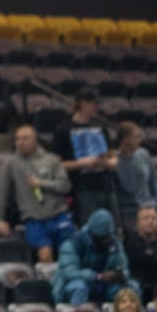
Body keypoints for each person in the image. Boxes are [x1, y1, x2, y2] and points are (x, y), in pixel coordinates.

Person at [0, 124, 75, 261]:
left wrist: (42, 183)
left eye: (25, 138)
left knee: (69, 254)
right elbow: (1, 193)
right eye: (18, 139)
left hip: (58, 215)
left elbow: (65, 186)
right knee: (45, 254)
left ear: (35, 140)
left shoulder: (52, 160)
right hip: (34, 220)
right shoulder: (11, 163)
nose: (21, 142)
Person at [54, 90, 118, 224]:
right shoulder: (63, 129)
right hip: (83, 188)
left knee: (112, 224)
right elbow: (57, 164)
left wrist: (109, 163)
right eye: (94, 104)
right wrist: (81, 164)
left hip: (106, 185)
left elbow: (112, 156)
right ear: (83, 104)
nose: (96, 108)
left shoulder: (100, 127)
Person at [54, 208, 138, 305]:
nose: (107, 240)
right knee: (80, 287)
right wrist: (98, 276)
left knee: (132, 286)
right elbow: (69, 272)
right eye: (103, 237)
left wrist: (119, 275)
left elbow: (124, 266)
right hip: (75, 285)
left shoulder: (113, 242)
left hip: (105, 286)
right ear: (93, 234)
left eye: (108, 236)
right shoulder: (73, 243)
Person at [114, 122, 157, 228]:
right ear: (126, 139)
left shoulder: (143, 154)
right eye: (136, 137)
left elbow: (154, 183)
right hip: (128, 211)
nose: (140, 140)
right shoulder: (114, 162)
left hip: (149, 207)